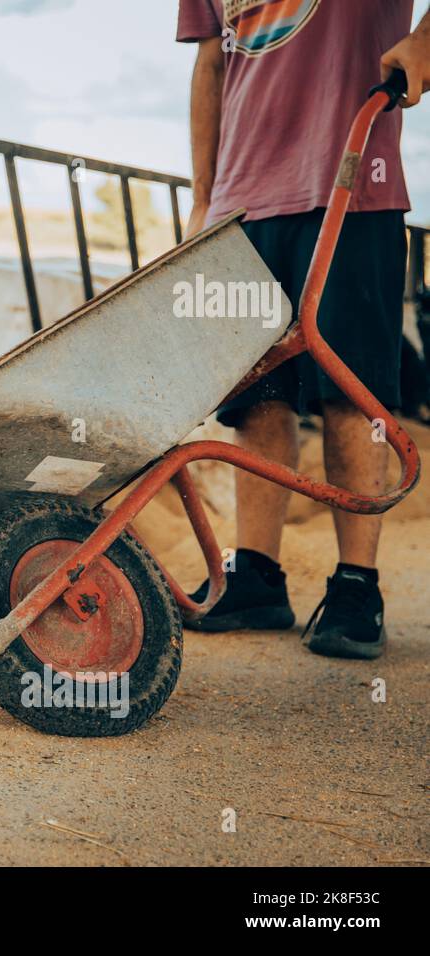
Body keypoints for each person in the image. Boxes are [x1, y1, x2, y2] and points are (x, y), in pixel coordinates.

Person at [177, 0, 430, 659]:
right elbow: (211, 64)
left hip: (350, 178)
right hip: (240, 199)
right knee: (254, 395)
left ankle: (356, 587)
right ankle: (255, 576)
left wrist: (425, 40)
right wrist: (203, 200)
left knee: (354, 390)